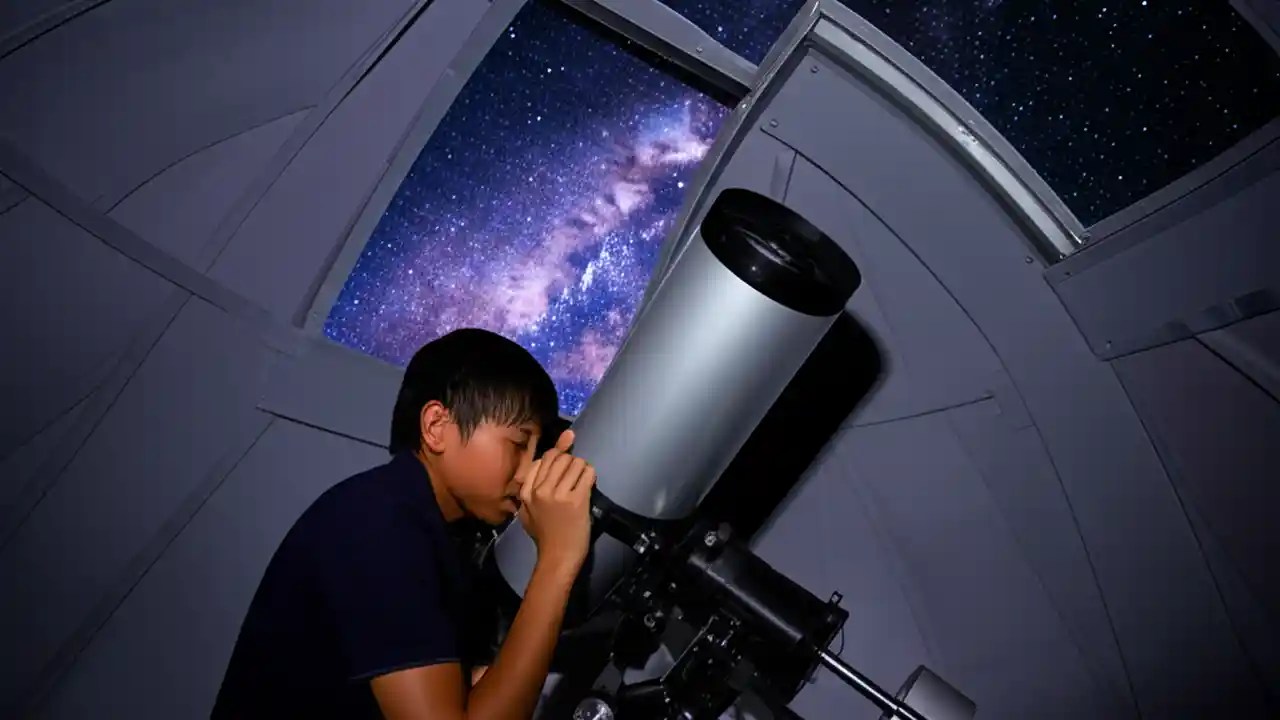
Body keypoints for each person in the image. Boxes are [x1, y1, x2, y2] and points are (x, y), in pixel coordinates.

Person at [210, 327, 596, 719]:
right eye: (517, 444)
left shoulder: (433, 533)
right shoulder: (378, 526)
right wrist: (558, 559)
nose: (528, 470)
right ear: (435, 427)